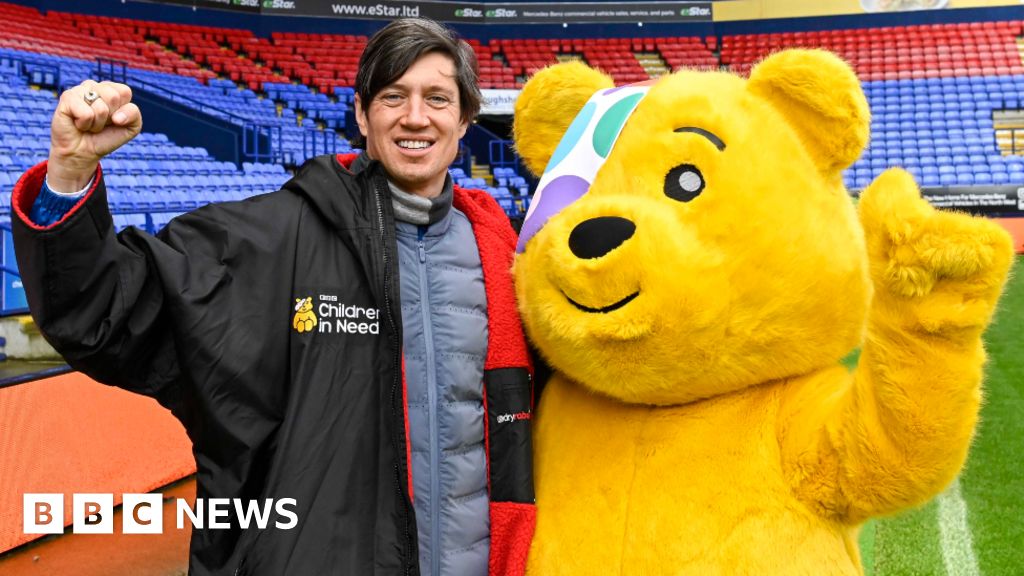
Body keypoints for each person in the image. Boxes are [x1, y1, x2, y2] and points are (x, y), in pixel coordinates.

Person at [11, 18, 535, 576]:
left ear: (465, 119)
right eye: (392, 96)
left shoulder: (507, 257)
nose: (415, 117)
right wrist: (70, 173)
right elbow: (106, 314)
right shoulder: (276, 237)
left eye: (437, 98)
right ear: (361, 114)